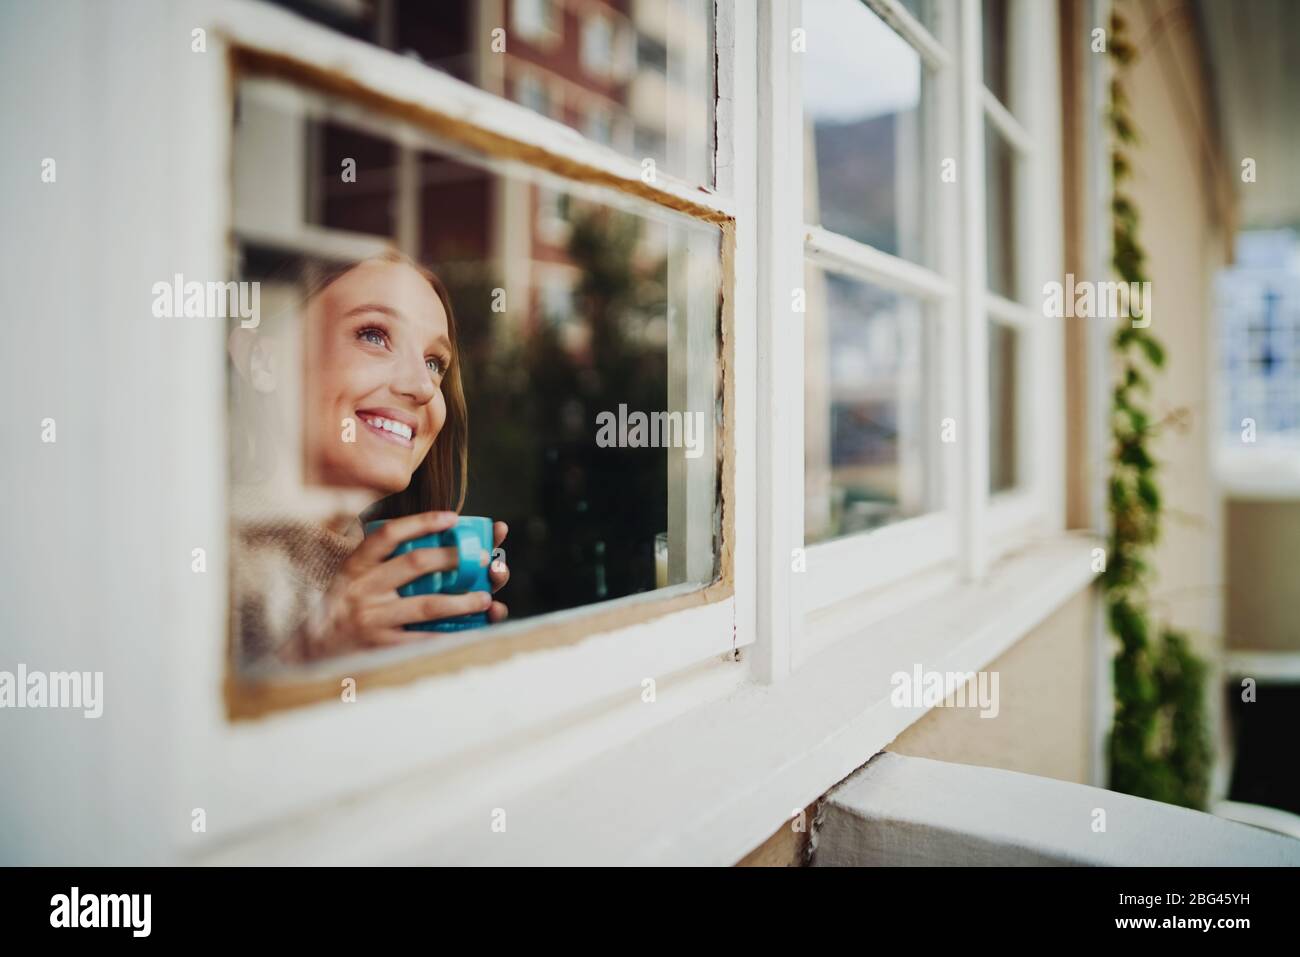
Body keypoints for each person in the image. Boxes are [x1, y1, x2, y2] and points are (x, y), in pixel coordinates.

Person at [227, 249, 508, 667]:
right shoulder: (200, 559)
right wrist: (311, 652)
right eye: (374, 335)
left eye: (434, 363)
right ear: (262, 360)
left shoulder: (391, 576)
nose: (424, 388)